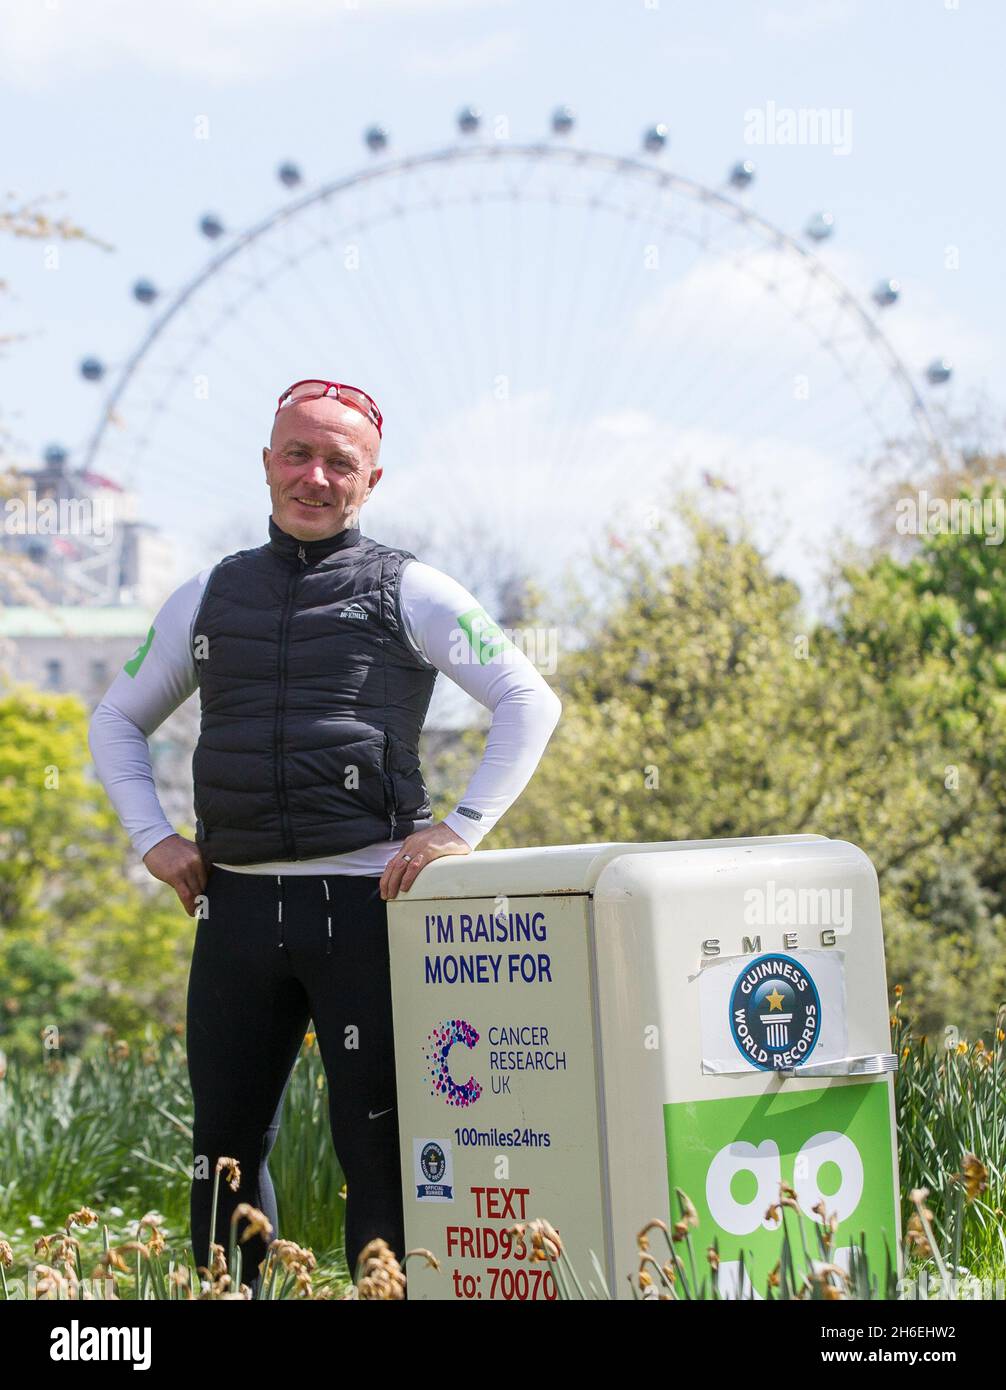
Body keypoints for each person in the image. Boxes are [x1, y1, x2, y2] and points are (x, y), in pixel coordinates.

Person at [88, 377, 562, 1294]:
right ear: (268, 464)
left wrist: (460, 829)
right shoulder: (208, 594)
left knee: (374, 1136)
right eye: (297, 454)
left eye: (338, 462)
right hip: (232, 911)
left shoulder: (409, 587)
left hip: (367, 909)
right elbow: (116, 720)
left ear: (370, 480)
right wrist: (153, 837)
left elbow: (528, 699)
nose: (315, 476)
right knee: (224, 1143)